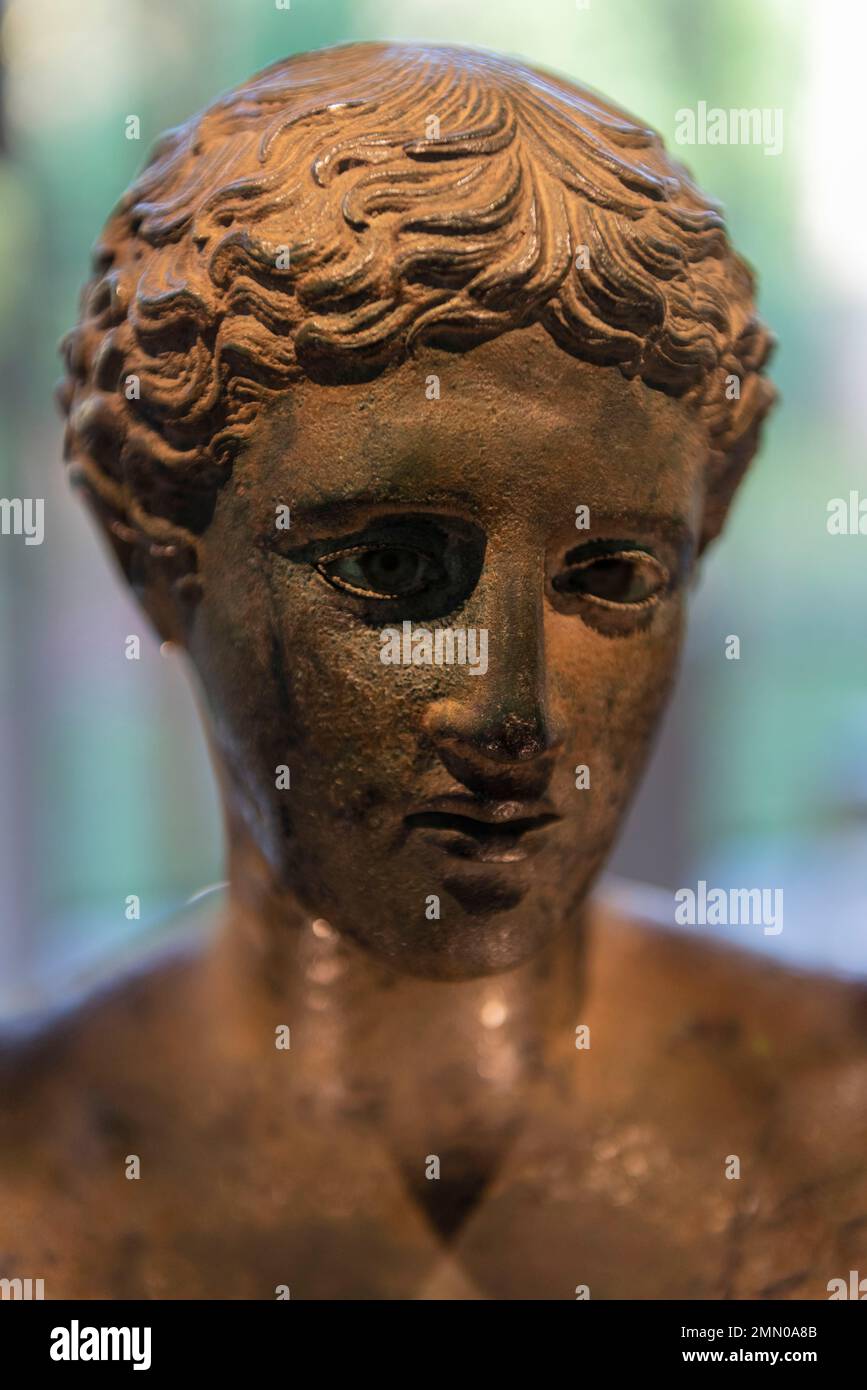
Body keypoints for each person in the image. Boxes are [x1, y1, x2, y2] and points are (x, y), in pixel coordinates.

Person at [2, 42, 864, 1300]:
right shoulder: (36, 1193)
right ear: (160, 557)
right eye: (397, 568)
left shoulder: (837, 1149)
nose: (517, 712)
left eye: (613, 576)